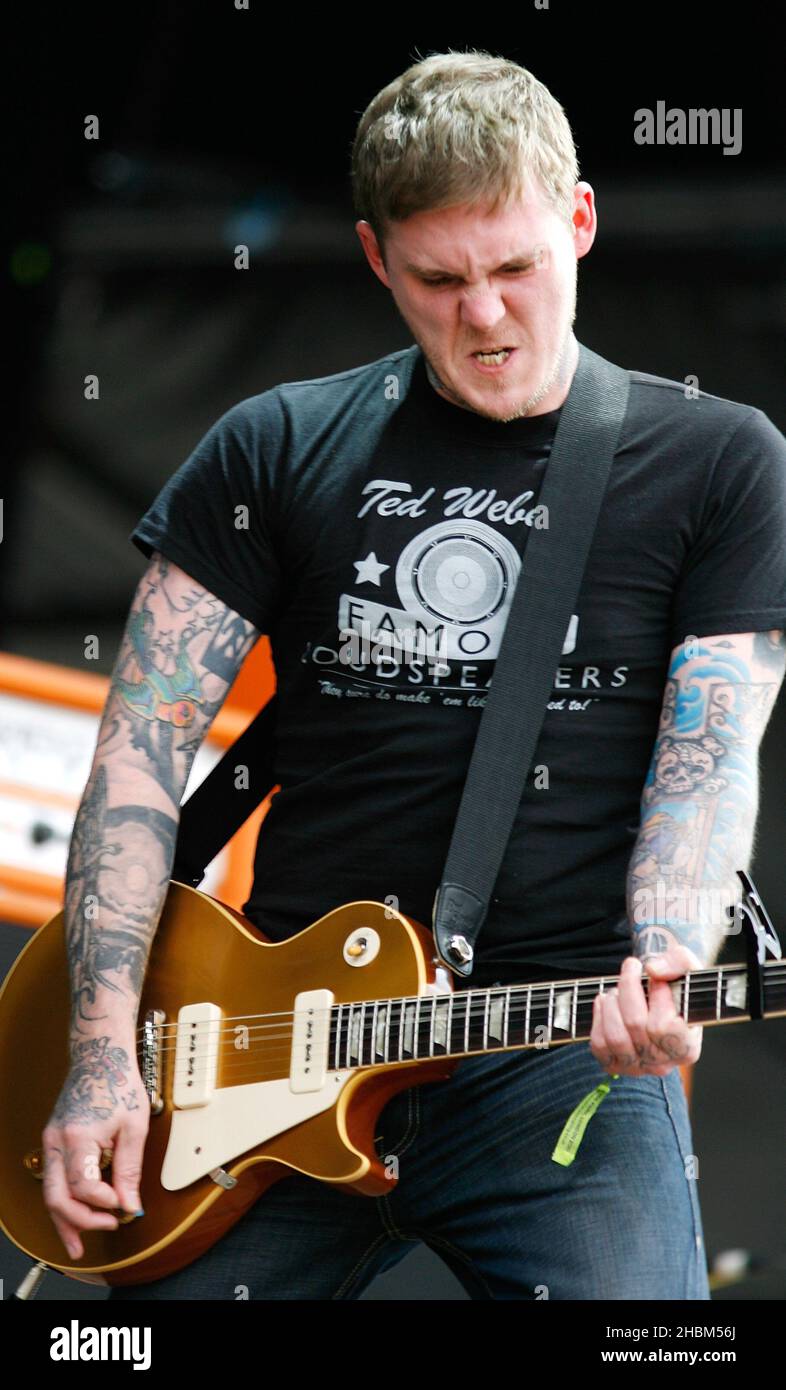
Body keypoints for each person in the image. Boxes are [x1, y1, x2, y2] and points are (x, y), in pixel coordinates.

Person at [42, 49, 786, 1301]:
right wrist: (102, 1048)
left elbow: (708, 757)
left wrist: (669, 955)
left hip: (563, 1056)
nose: (484, 315)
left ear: (582, 221)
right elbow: (137, 759)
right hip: (273, 1049)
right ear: (378, 259)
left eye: (515, 268)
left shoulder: (717, 460)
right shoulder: (275, 445)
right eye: (440, 278)